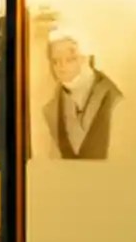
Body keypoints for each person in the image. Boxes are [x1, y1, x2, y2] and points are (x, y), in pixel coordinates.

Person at [40, 27, 123, 160]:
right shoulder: (51, 110)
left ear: (86, 59)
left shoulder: (115, 102)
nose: (61, 66)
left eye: (70, 59)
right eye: (55, 61)